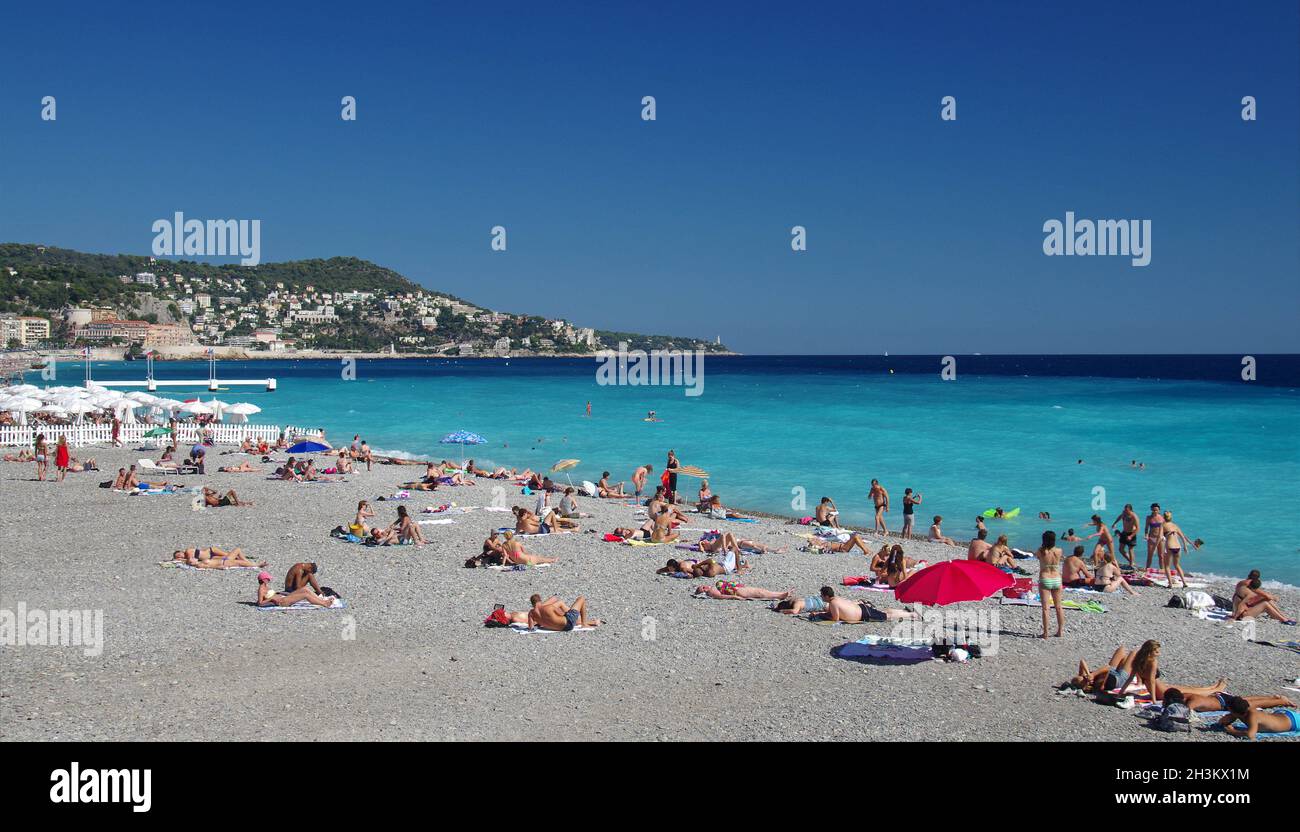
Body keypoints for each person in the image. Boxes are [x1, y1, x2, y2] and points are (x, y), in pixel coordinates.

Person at [1116, 640, 1226, 703]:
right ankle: (1216, 689)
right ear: (1151, 652)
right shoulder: (1152, 662)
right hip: (1162, 692)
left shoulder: (1139, 660)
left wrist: (1120, 693)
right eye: (1157, 652)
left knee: (1190, 688)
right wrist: (1154, 700)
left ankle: (1213, 687)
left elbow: (1130, 678)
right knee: (1192, 692)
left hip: (1162, 688)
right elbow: (1152, 681)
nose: (1159, 654)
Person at [1216, 695, 1300, 739]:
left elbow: (1251, 735)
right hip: (1283, 716)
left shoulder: (1252, 715)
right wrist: (1227, 720)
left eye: (1230, 710)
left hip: (1294, 722)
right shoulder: (1244, 709)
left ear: (1234, 711)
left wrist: (1233, 731)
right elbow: (1222, 722)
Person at [1164, 687, 1294, 715]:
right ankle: (1274, 698)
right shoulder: (1187, 695)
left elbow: (1186, 713)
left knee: (1254, 704)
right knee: (1247, 699)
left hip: (1224, 704)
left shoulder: (1192, 701)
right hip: (1220, 697)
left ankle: (1281, 701)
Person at [1229, 572, 1296, 624]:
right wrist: (1234, 618)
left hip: (1240, 612)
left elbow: (1239, 602)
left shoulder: (1243, 586)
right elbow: (1241, 605)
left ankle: (1283, 617)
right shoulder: (1250, 593)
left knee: (1266, 600)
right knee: (1265, 604)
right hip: (1242, 616)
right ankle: (1283, 620)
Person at [1037, 530, 1064, 639]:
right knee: (1058, 607)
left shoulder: (1041, 551)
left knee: (1045, 608)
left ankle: (1046, 633)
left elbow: (1039, 557)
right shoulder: (1059, 551)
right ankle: (1060, 631)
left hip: (1045, 578)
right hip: (1057, 578)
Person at [256, 570, 335, 608]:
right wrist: (272, 599)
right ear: (263, 580)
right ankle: (324, 604)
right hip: (282, 602)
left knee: (305, 589)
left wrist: (277, 594)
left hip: (283, 597)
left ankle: (321, 600)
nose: (269, 580)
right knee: (305, 595)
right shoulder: (261, 589)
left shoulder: (265, 587)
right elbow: (260, 603)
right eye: (267, 579)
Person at [1160, 511, 1197, 589]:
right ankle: (1184, 583)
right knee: (1177, 565)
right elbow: (1183, 536)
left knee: (1166, 566)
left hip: (1169, 547)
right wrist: (1185, 547)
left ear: (1163, 517)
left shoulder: (1162, 526)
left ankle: (1170, 584)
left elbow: (1160, 537)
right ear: (1171, 517)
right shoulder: (1175, 526)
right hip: (1178, 547)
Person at [527, 594, 599, 630]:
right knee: (581, 598)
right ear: (540, 600)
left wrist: (541, 622)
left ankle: (589, 622)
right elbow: (562, 614)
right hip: (568, 624)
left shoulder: (531, 613)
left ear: (532, 603)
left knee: (563, 609)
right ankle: (584, 624)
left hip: (559, 628)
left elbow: (531, 628)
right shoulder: (549, 607)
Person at [170, 547, 266, 569]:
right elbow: (191, 562)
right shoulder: (198, 563)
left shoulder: (188, 552)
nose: (180, 557)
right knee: (235, 557)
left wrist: (181, 560)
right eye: (178, 557)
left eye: (179, 555)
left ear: (181, 552)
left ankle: (249, 562)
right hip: (215, 558)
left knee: (233, 555)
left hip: (211, 551)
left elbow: (190, 560)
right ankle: (252, 563)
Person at [692, 581, 792, 601]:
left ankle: (780, 594)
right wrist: (735, 597)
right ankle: (780, 595)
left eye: (702, 586)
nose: (704, 587)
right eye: (702, 589)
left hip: (738, 589)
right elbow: (722, 596)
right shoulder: (711, 592)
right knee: (760, 593)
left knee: (760, 591)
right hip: (738, 592)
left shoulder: (712, 589)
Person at [1111, 503, 1140, 567]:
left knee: (1130, 549)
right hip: (1124, 533)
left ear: (1131, 510)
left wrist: (1131, 536)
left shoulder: (1134, 516)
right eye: (1125, 510)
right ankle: (1130, 560)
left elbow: (1138, 529)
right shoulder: (1124, 513)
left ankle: (1131, 564)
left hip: (1131, 533)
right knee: (1121, 549)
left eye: (1127, 510)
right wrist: (1114, 523)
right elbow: (1120, 517)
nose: (1125, 512)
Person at [1143, 503, 1164, 571]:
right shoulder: (1149, 518)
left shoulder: (1162, 517)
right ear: (1151, 509)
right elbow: (1146, 528)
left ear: (1159, 510)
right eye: (1154, 510)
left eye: (1156, 510)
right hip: (1151, 538)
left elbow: (1165, 528)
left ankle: (1162, 570)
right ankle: (1147, 569)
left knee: (1161, 556)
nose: (1155, 511)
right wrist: (1146, 535)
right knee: (1150, 555)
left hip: (1160, 538)